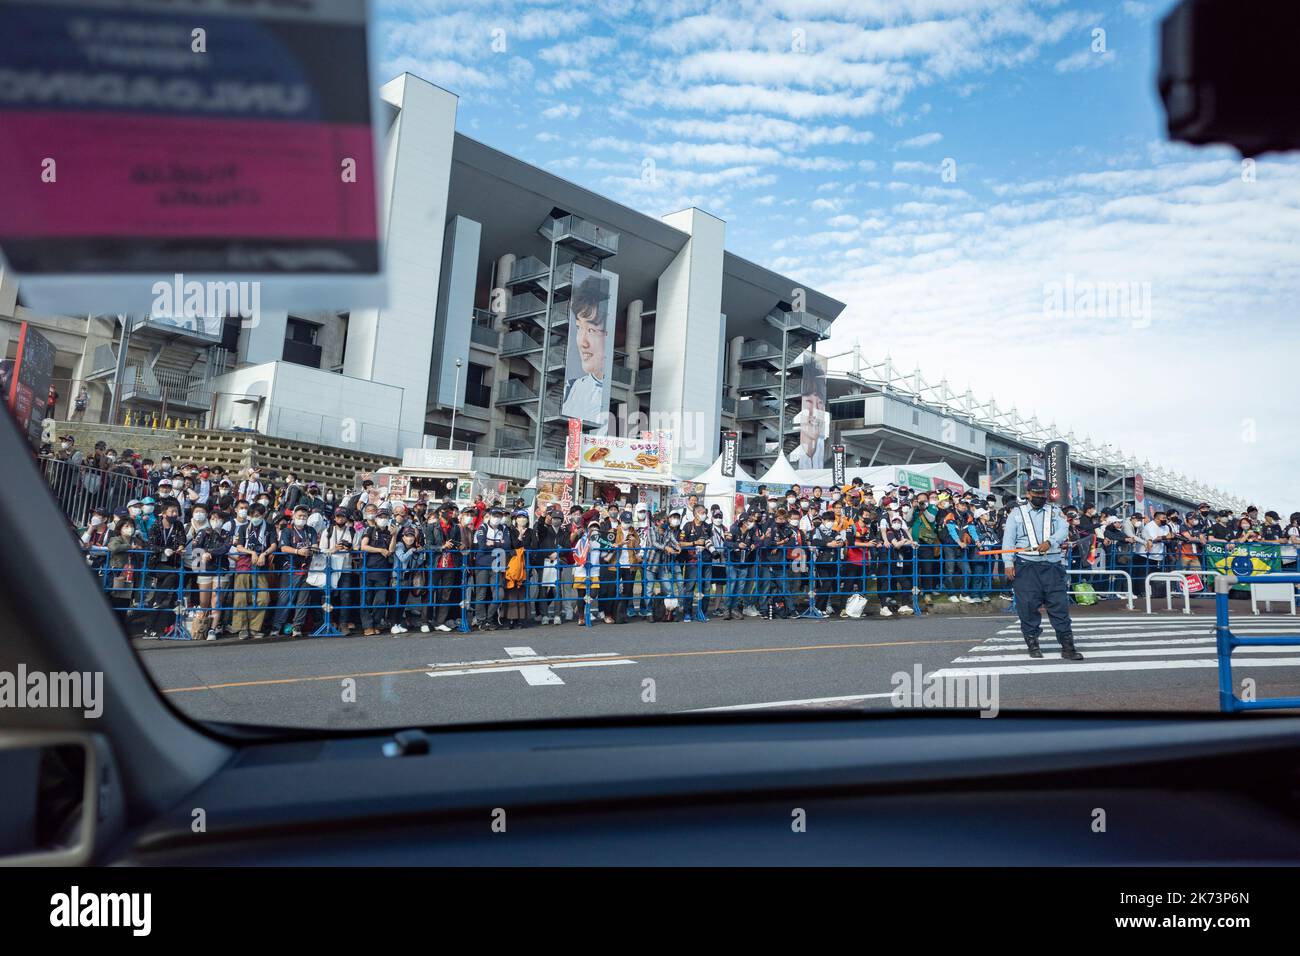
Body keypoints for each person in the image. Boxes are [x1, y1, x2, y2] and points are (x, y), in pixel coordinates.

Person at [1001, 479, 1082, 660]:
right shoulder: (1016, 513)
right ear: (1028, 494)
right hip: (1026, 566)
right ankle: (1033, 644)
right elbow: (1008, 540)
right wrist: (1008, 563)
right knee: (1028, 606)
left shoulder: (1055, 511)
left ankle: (1068, 648)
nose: (1040, 497)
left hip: (1052, 566)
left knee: (1059, 606)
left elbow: (1063, 529)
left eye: (1043, 494)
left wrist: (1051, 542)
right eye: (1036, 494)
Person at [560, 274, 612, 423]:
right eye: (579, 328)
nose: (583, 342)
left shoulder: (609, 395)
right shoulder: (570, 388)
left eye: (591, 330)